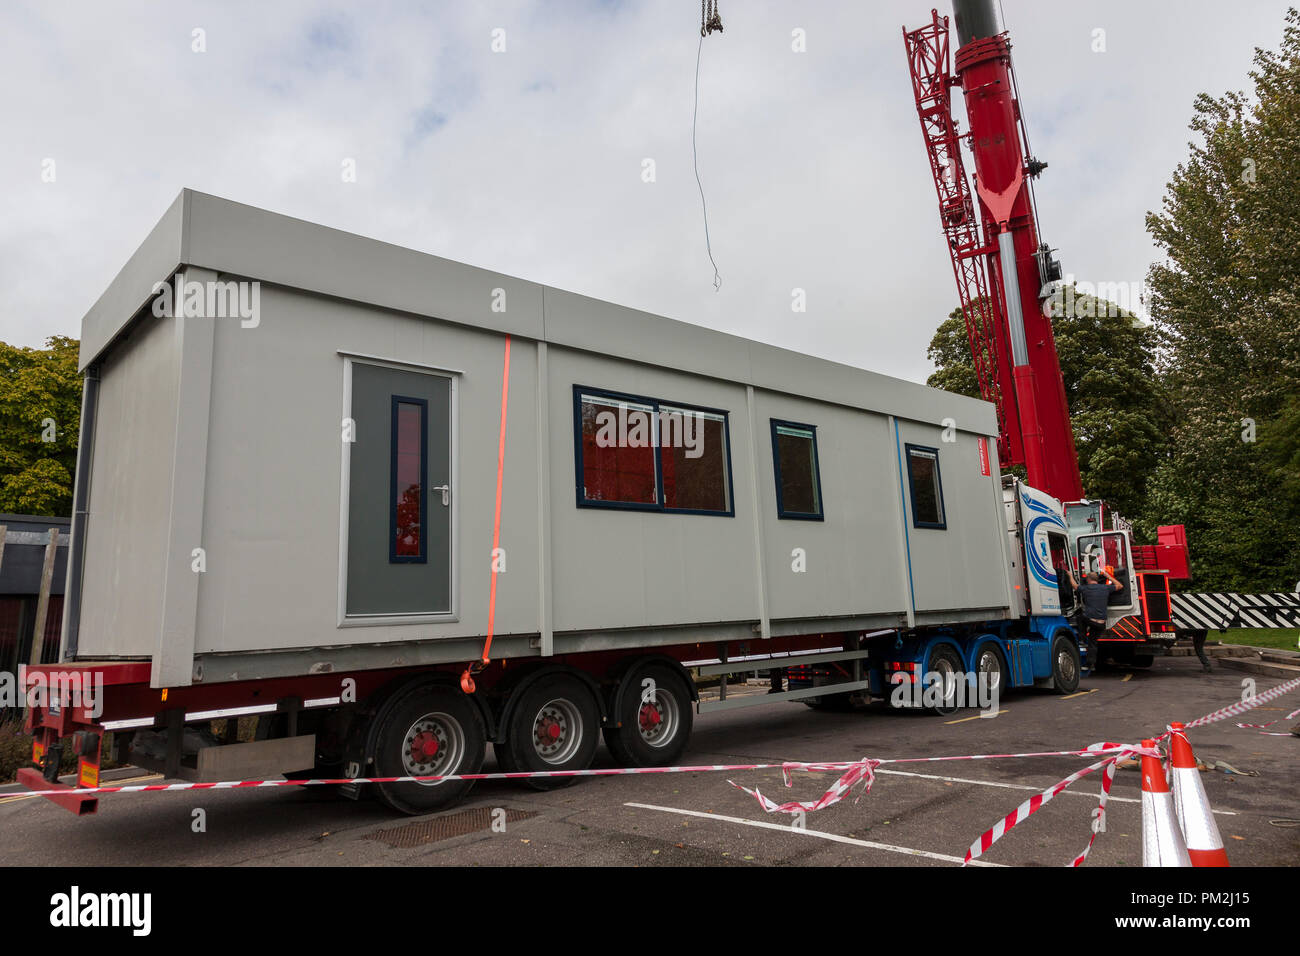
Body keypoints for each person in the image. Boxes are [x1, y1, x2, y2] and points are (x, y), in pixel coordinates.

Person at [1075, 568, 1121, 670]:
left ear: (1088, 580)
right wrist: (1108, 576)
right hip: (1101, 623)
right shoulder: (1105, 588)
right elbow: (1120, 585)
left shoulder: (1085, 588)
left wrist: (1069, 575)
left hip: (1089, 620)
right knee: (1093, 643)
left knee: (1079, 617)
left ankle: (1081, 639)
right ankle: (1090, 664)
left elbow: (1074, 586)